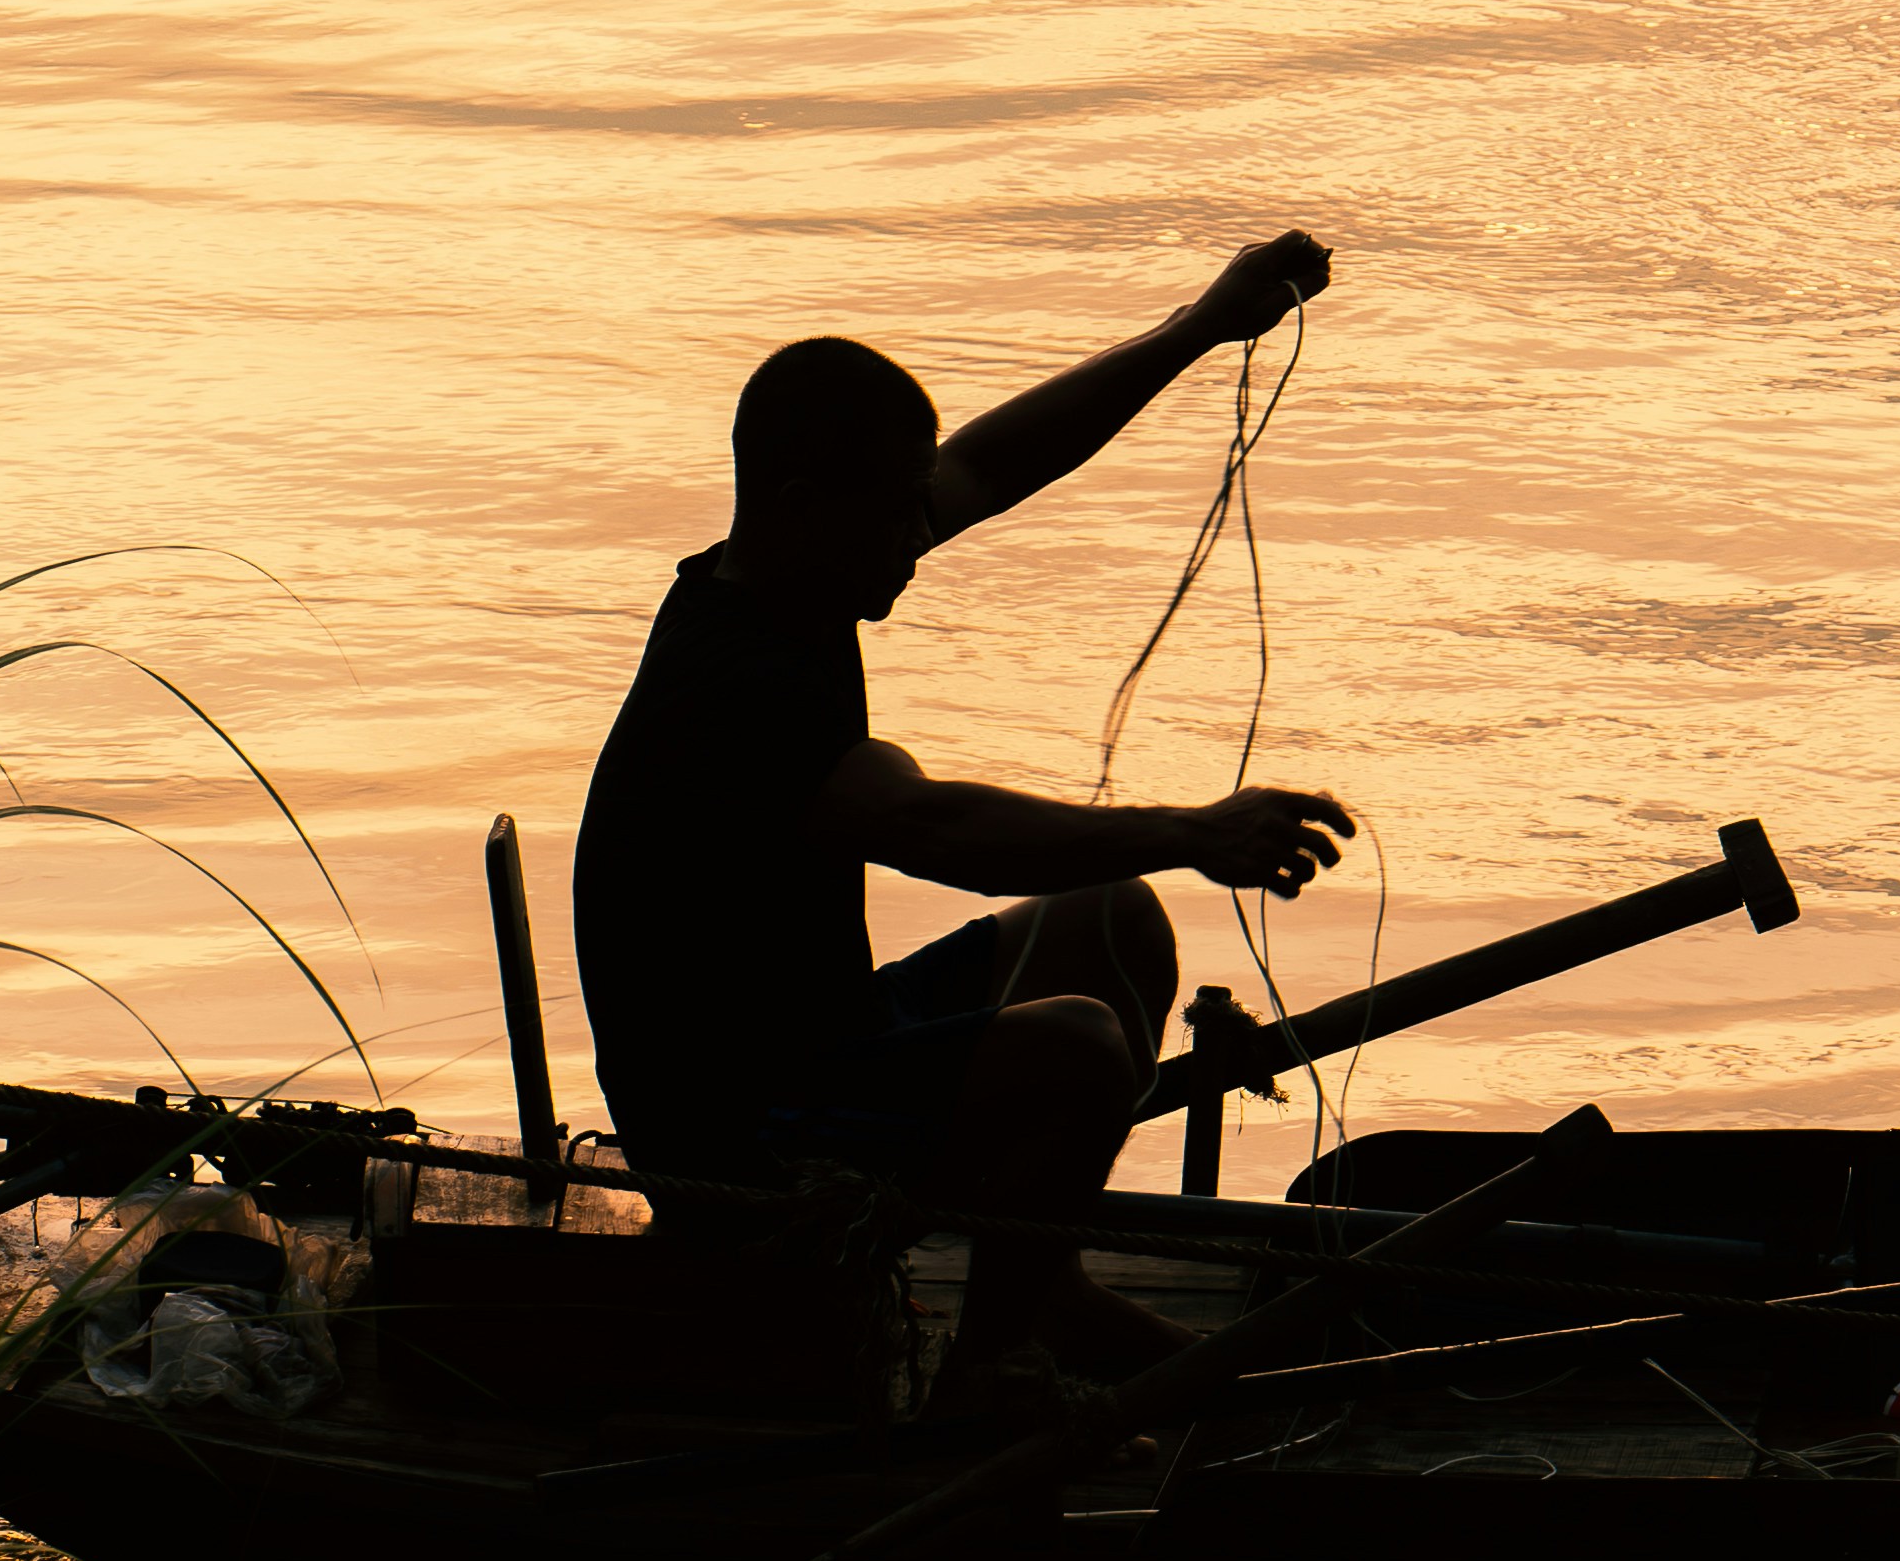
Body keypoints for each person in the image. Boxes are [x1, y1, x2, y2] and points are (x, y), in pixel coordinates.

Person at [569, 232, 1354, 1408]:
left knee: (1109, 921)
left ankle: (1046, 1285)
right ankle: (993, 1372)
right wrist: (1192, 832)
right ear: (800, 503)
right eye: (896, 516)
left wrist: (1199, 326)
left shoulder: (797, 568)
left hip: (826, 1027)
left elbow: (1000, 457)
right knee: (1077, 1043)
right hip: (743, 1134)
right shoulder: (734, 684)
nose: (919, 541)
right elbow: (938, 834)